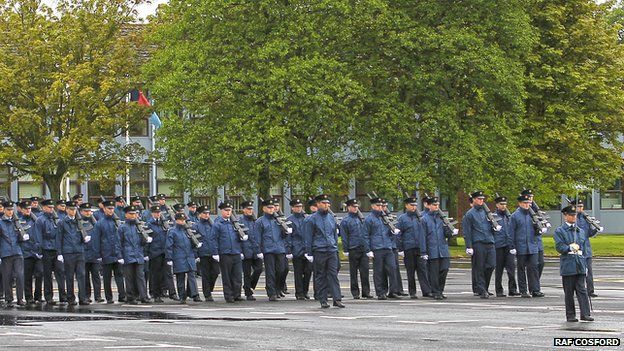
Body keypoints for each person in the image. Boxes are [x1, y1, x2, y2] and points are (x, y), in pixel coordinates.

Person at [303, 194, 344, 308]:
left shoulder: (331, 218)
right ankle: (323, 299)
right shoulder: (311, 219)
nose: (327, 205)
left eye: (328, 203)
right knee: (320, 275)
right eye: (324, 203)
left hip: (331, 249)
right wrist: (309, 252)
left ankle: (337, 298)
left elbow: (334, 234)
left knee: (333, 274)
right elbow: (308, 237)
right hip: (319, 250)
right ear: (318, 204)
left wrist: (335, 247)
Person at [554, 205, 593, 322]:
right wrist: (568, 248)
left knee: (582, 289)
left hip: (580, 262)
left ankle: (585, 314)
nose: (573, 217)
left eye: (575, 215)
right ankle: (570, 315)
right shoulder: (560, 231)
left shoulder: (580, 231)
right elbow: (559, 246)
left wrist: (585, 264)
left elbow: (584, 248)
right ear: (565, 216)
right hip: (568, 264)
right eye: (571, 215)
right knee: (569, 292)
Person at [462, 191, 496, 299]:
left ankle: (484, 287)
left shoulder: (486, 212)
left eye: (482, 199)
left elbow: (491, 226)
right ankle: (482, 289)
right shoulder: (469, 214)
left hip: (489, 241)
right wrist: (469, 246)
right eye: (479, 199)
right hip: (478, 243)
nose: (481, 201)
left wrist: (494, 227)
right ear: (474, 200)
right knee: (479, 267)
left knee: (491, 265)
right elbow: (467, 231)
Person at [396, 196, 431, 299]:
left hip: (419, 247)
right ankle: (412, 292)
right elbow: (398, 234)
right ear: (406, 206)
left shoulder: (420, 218)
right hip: (409, 247)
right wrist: (400, 248)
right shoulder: (402, 218)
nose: (414, 207)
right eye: (412, 205)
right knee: (410, 271)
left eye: (415, 205)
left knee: (422, 270)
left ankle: (426, 291)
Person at [56, 201, 90, 305]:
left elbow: (82, 234)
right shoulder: (62, 222)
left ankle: (82, 298)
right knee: (69, 276)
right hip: (68, 252)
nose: (73, 211)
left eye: (74, 209)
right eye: (71, 209)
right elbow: (59, 238)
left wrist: (85, 239)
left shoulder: (79, 222)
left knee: (81, 275)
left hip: (79, 251)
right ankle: (70, 298)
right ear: (67, 210)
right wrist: (59, 253)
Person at [212, 201, 246, 303]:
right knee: (227, 276)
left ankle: (237, 294)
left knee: (237, 275)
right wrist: (215, 253)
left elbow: (239, 238)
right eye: (226, 210)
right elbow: (214, 239)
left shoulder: (235, 224)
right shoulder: (217, 224)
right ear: (221, 211)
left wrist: (241, 250)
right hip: (225, 253)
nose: (228, 212)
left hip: (235, 252)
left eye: (230, 210)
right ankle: (229, 295)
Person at [117, 205, 152, 304]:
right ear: (126, 215)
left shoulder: (139, 226)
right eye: (131, 214)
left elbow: (142, 243)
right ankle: (131, 297)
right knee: (129, 277)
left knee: (141, 277)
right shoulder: (122, 227)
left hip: (138, 255)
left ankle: (143, 296)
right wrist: (119, 256)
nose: (133, 216)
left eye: (135, 214)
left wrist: (146, 240)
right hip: (127, 255)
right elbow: (118, 243)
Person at [35, 199, 68, 305]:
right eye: (49, 207)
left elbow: (59, 235)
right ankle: (49, 296)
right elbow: (38, 236)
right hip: (46, 249)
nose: (51, 209)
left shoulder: (56, 219)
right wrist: (39, 250)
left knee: (60, 273)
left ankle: (63, 296)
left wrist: (60, 250)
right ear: (44, 208)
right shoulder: (40, 220)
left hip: (56, 249)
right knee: (47, 274)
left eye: (52, 207)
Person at [509, 195, 542, 298]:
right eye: (525, 203)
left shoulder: (533, 215)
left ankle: (535, 289)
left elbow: (537, 230)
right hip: (521, 245)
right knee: (521, 268)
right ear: (520, 203)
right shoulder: (515, 216)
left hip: (532, 245)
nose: (527, 205)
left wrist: (540, 229)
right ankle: (523, 290)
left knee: (534, 267)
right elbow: (511, 232)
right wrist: (512, 246)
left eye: (528, 203)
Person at [256, 199, 288, 302]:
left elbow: (284, 236)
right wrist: (259, 250)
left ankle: (278, 288)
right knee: (270, 272)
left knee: (282, 269)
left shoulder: (279, 220)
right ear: (264, 209)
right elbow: (258, 237)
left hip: (279, 248)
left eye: (273, 207)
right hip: (268, 249)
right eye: (269, 208)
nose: (271, 209)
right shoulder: (260, 221)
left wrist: (286, 231)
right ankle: (271, 292)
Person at [423, 197, 453, 300]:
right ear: (429, 206)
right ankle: (435, 291)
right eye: (434, 205)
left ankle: (440, 290)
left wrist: (450, 230)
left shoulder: (441, 218)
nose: (436, 207)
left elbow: (447, 234)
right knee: (434, 273)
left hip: (443, 249)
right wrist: (423, 251)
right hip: (432, 249)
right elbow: (422, 236)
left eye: (437, 205)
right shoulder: (425, 219)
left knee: (444, 269)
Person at [166, 212, 201, 304]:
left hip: (189, 256)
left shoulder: (188, 231)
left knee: (192, 276)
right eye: (181, 220)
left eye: (183, 220)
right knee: (180, 278)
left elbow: (193, 244)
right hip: (178, 257)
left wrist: (195, 254)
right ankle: (182, 296)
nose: (182, 222)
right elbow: (169, 246)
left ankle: (195, 294)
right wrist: (169, 258)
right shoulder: (172, 231)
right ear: (176, 220)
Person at [146, 205, 178, 302]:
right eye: (156, 212)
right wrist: (147, 253)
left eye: (159, 212)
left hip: (165, 251)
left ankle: (172, 293)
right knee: (156, 275)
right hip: (155, 252)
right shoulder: (149, 224)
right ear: (152, 213)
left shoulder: (163, 224)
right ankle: (156, 295)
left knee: (168, 273)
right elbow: (147, 240)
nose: (158, 214)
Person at [572, 199, 601, 297]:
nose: (580, 208)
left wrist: (595, 229)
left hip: (586, 249)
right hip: (577, 249)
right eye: (578, 206)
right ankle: (577, 289)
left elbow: (588, 233)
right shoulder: (572, 218)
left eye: (581, 206)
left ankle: (590, 290)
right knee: (576, 271)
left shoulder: (585, 218)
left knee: (589, 271)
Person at [0, 200, 26, 307]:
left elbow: (20, 237)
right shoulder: (1, 222)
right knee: (7, 276)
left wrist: (22, 236)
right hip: (6, 252)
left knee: (20, 275)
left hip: (17, 251)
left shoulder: (16, 221)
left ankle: (20, 298)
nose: (10, 212)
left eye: (12, 210)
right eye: (8, 210)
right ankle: (9, 298)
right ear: (4, 210)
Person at [493, 196, 518, 297]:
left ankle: (513, 289)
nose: (504, 206)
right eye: (501, 204)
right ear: (497, 205)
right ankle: (499, 290)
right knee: (498, 269)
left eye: (505, 204)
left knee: (511, 268)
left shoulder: (509, 216)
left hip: (508, 245)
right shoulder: (493, 216)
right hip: (498, 245)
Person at [18, 201, 43, 304]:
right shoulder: (19, 221)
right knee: (27, 276)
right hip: (26, 252)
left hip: (37, 251)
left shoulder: (35, 220)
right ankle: (29, 297)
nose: (28, 210)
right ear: (22, 209)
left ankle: (38, 296)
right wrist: (21, 238)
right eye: (26, 209)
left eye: (29, 209)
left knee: (40, 273)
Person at [288, 198, 313, 300]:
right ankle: (299, 292)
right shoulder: (290, 220)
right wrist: (289, 249)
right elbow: (289, 236)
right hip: (297, 248)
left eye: (300, 207)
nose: (299, 209)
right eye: (297, 207)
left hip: (307, 248)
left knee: (308, 271)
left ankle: (305, 290)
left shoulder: (307, 218)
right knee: (298, 272)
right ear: (292, 208)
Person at [194, 205, 220, 302]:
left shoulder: (212, 225)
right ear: (199, 214)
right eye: (204, 213)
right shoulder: (196, 226)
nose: (206, 215)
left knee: (216, 273)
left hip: (213, 252)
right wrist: (196, 255)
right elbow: (195, 241)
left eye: (208, 213)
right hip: (203, 253)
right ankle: (207, 294)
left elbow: (216, 238)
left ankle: (209, 289)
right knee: (206, 275)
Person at [239, 201, 263, 301]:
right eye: (248, 209)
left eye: (251, 209)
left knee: (259, 269)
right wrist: (240, 251)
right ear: (243, 210)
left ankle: (249, 286)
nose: (250, 211)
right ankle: (248, 292)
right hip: (246, 250)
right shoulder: (240, 221)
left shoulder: (255, 221)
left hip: (256, 250)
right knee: (247, 273)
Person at [81, 203, 103, 303]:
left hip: (94, 253)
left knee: (96, 276)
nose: (88, 213)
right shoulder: (78, 222)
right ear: (81, 212)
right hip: (84, 253)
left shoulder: (95, 223)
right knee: (85, 277)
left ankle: (98, 296)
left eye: (89, 211)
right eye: (86, 211)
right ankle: (86, 296)